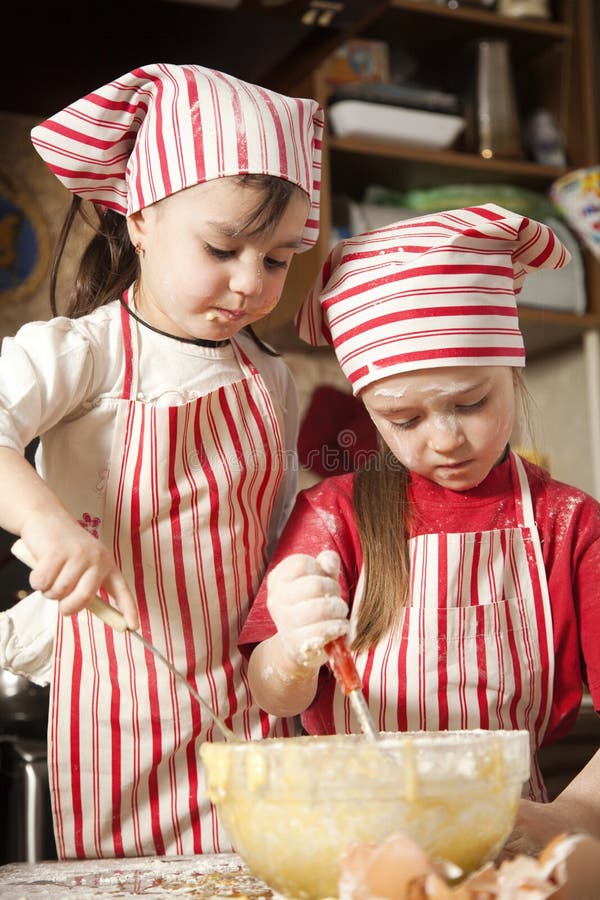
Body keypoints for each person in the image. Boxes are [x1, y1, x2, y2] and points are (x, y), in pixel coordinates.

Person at [0, 62, 323, 859]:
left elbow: (279, 525)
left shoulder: (269, 379)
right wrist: (48, 524)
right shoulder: (88, 353)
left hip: (248, 705)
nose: (252, 284)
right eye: (223, 247)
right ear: (139, 218)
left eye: (278, 260)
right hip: (120, 708)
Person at [240, 204, 600, 813]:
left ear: (511, 368)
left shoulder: (570, 525)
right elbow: (274, 696)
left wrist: (569, 818)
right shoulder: (334, 515)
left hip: (509, 829)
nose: (445, 440)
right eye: (403, 419)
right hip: (353, 831)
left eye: (471, 402)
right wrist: (294, 649)